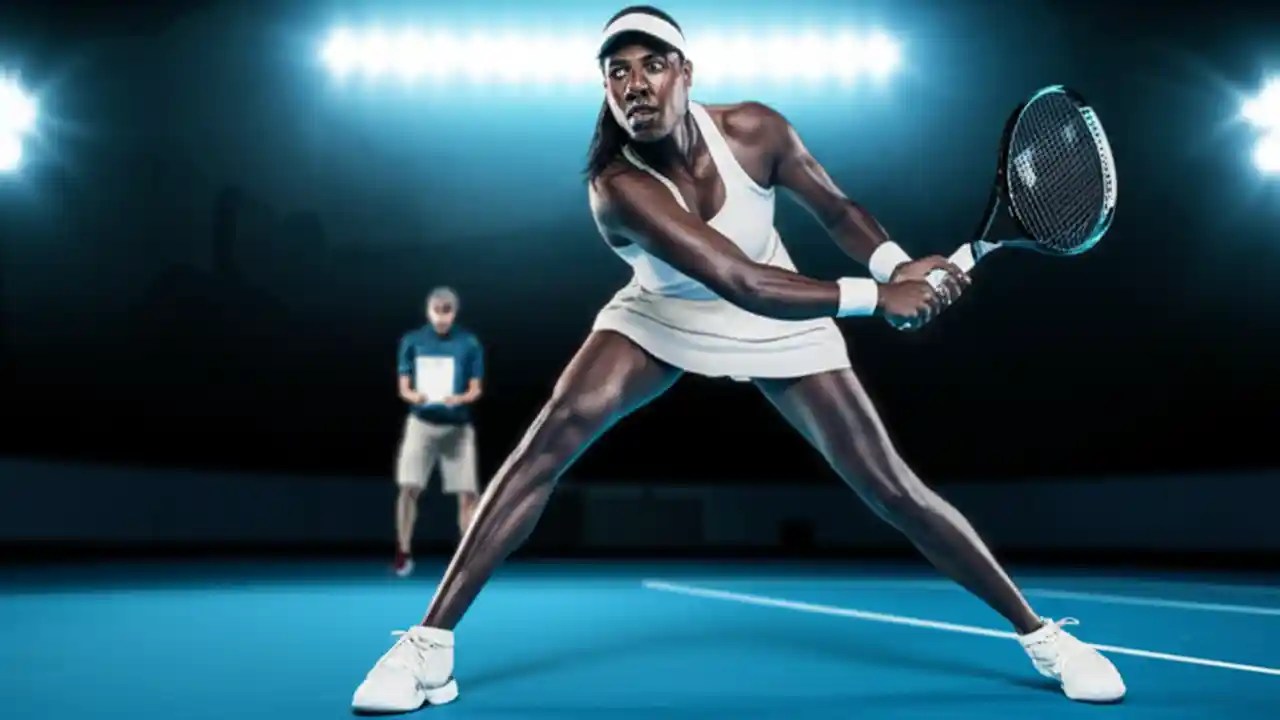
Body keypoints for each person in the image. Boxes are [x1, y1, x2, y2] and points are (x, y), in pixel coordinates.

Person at [351, 6, 1125, 711]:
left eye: (652, 64)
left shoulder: (758, 130)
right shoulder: (616, 186)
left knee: (893, 488)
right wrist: (873, 299)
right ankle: (429, 646)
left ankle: (1041, 634)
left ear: (687, 73)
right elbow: (737, 280)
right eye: (615, 72)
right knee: (543, 444)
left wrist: (893, 265)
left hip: (783, 312)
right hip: (666, 314)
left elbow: (838, 209)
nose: (634, 85)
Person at [391, 286, 484, 578]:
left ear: (454, 312)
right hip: (421, 422)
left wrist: (460, 398)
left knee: (468, 493)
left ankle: (467, 558)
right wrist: (413, 396)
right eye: (437, 310)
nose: (442, 317)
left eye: (447, 311)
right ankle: (403, 550)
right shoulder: (412, 341)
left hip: (457, 426)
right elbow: (403, 387)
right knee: (409, 488)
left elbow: (475, 389)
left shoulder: (468, 343)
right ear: (428, 310)